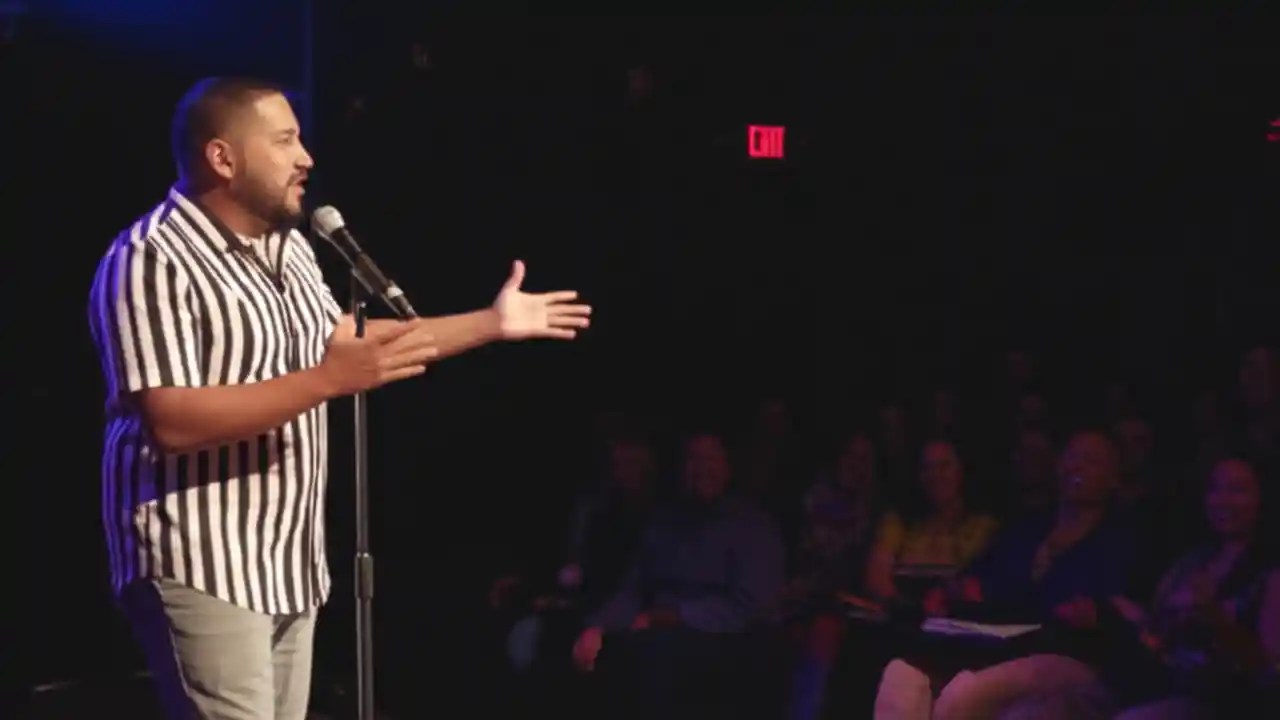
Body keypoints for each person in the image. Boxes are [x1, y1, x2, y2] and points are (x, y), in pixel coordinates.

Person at [86, 76, 592, 720]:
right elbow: (170, 420)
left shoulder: (288, 248)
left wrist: (491, 323)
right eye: (285, 140)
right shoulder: (150, 258)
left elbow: (350, 345)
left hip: (285, 556)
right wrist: (325, 381)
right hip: (198, 556)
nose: (307, 157)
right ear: (222, 157)